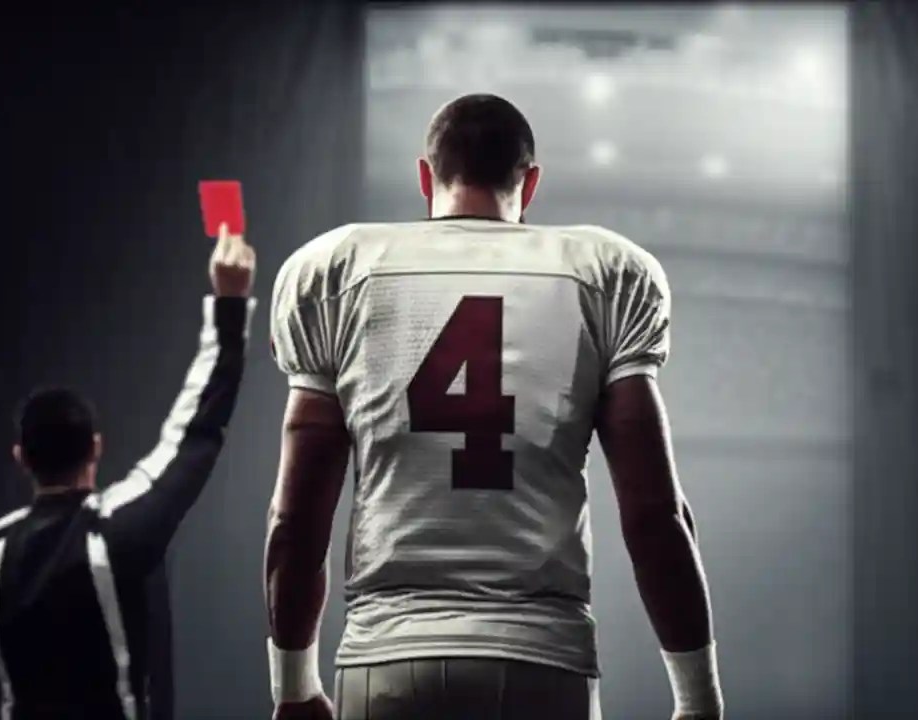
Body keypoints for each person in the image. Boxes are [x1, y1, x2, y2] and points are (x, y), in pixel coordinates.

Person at [262, 93, 724, 720]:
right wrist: (698, 700)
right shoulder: (603, 273)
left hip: (387, 655)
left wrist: (293, 686)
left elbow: (295, 519)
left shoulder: (337, 271)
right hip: (542, 656)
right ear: (529, 183)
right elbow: (654, 514)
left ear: (425, 175)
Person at [0, 224, 257, 719]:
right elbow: (195, 431)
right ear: (96, 447)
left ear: (21, 457)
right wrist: (229, 304)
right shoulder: (119, 533)